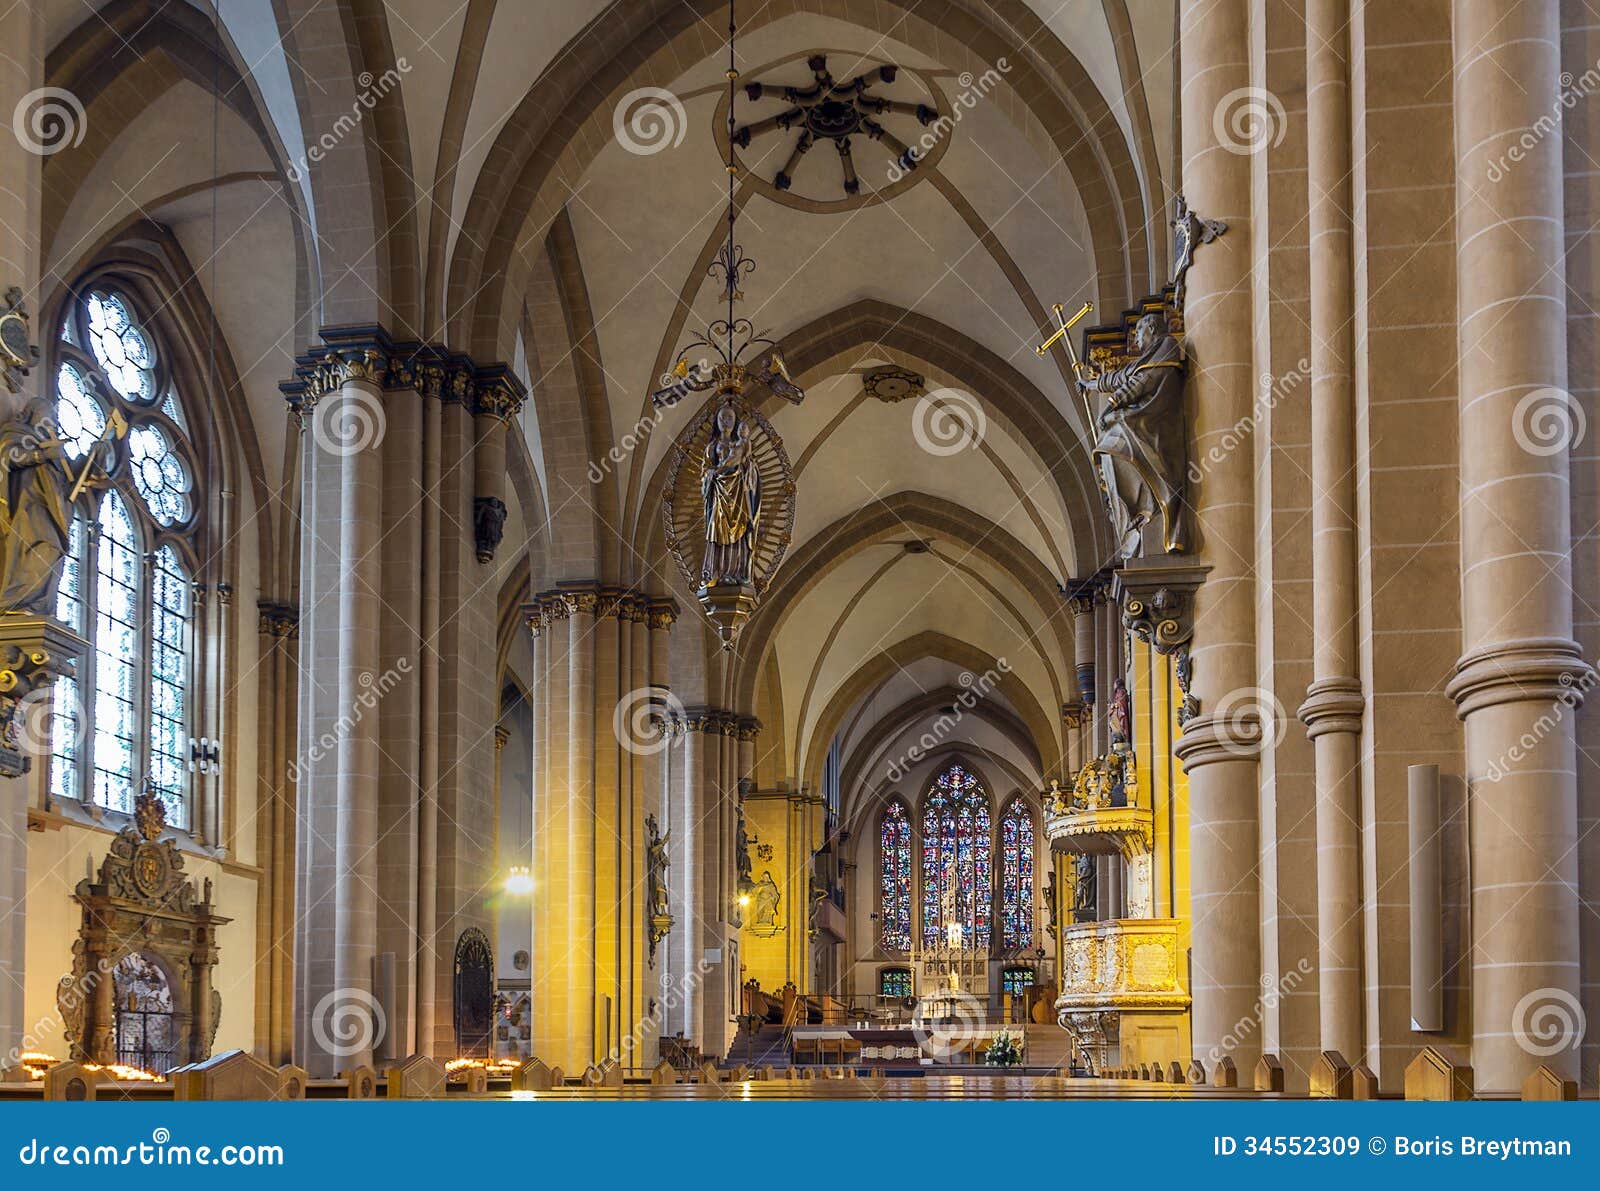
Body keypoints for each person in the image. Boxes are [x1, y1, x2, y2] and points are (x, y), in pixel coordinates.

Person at [1075, 312, 1191, 559]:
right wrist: (1089, 385)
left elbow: (1145, 381)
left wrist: (1112, 405)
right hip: (1141, 418)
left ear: (1150, 327)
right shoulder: (1149, 355)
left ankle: (1149, 505)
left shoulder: (1167, 346)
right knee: (1108, 448)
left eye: (1138, 333)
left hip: (1153, 421)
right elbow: (1119, 377)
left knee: (1113, 441)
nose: (1137, 341)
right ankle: (1138, 510)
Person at [699, 401, 760, 586]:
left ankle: (735, 572)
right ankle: (716, 571)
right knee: (717, 531)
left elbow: (751, 471)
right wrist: (712, 474)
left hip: (737, 494)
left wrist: (747, 466)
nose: (725, 421)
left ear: (736, 422)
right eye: (722, 418)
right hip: (718, 494)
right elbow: (705, 472)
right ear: (716, 421)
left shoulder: (741, 444)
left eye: (730, 418)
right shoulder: (712, 447)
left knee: (739, 533)